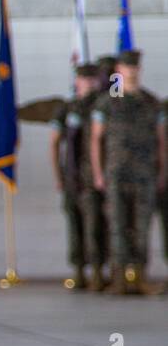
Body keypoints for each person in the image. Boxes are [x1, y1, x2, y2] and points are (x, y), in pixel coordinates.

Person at [90, 49, 166, 294]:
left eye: (134, 67)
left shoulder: (151, 102)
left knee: (142, 225)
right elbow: (95, 140)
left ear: (139, 70)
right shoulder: (107, 102)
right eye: (126, 67)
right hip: (116, 173)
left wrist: (162, 170)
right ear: (118, 71)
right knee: (118, 224)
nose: (131, 71)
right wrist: (98, 173)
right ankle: (120, 277)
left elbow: (161, 140)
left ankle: (140, 276)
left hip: (145, 174)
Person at [51, 63, 107, 291]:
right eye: (85, 79)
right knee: (75, 224)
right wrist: (58, 176)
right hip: (72, 177)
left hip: (93, 178)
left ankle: (97, 271)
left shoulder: (102, 106)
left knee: (95, 224)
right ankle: (78, 270)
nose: (89, 83)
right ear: (77, 81)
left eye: (93, 79)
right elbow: (54, 144)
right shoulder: (66, 109)